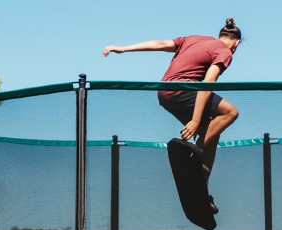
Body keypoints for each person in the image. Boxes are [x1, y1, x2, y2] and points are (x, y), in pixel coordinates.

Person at [103, 18, 242, 213]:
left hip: (164, 93)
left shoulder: (195, 39)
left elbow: (160, 44)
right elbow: (207, 83)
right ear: (236, 42)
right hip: (182, 90)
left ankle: (201, 183)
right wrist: (194, 120)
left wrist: (124, 48)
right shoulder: (224, 51)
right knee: (230, 112)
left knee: (213, 131)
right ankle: (194, 158)